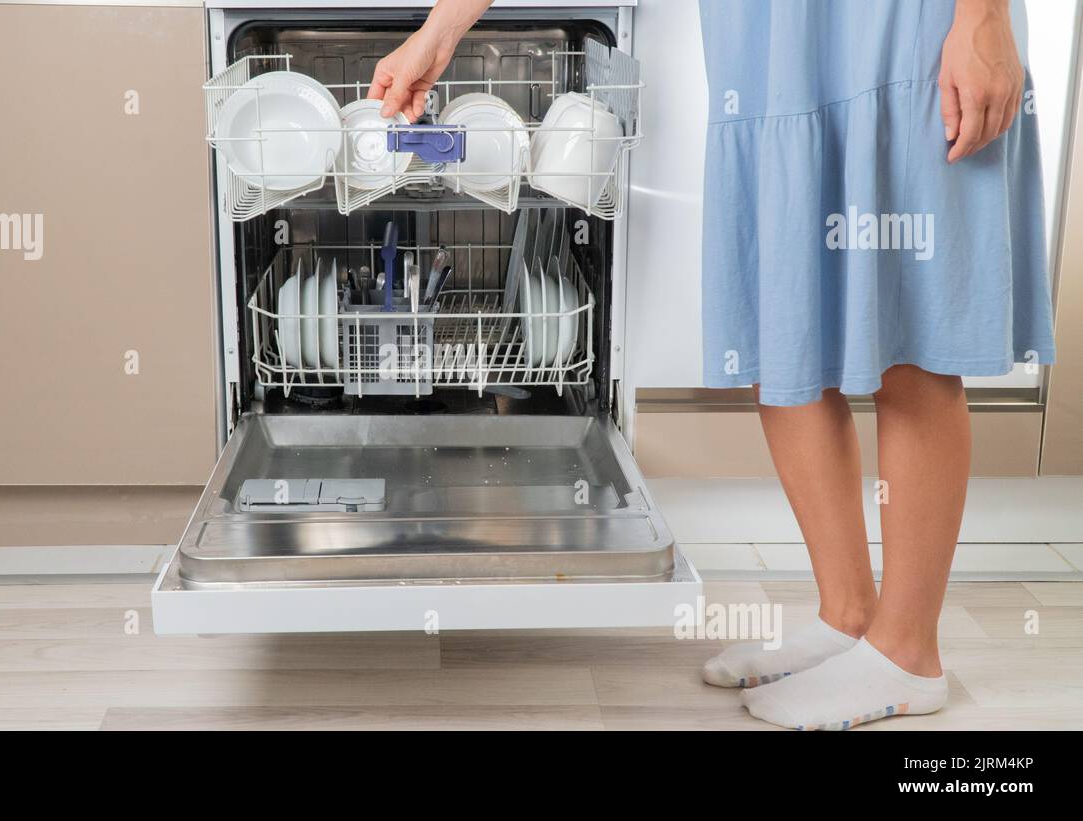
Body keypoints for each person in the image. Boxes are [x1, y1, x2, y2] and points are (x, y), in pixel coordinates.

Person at [369, 0, 1057, 730]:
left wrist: (983, 18)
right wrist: (438, 33)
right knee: (778, 331)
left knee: (909, 343)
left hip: (894, 28)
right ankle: (848, 615)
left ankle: (908, 653)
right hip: (763, 44)